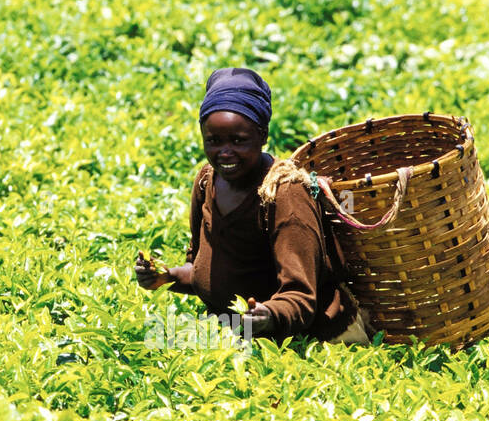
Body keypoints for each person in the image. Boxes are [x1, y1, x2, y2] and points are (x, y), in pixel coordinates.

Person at [135, 67, 371, 344]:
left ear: (263, 136)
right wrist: (167, 276)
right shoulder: (206, 181)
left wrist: (269, 314)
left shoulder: (284, 192)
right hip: (237, 334)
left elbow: (302, 295)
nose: (224, 152)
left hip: (311, 339)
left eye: (239, 141)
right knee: (152, 340)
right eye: (213, 141)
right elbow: (204, 270)